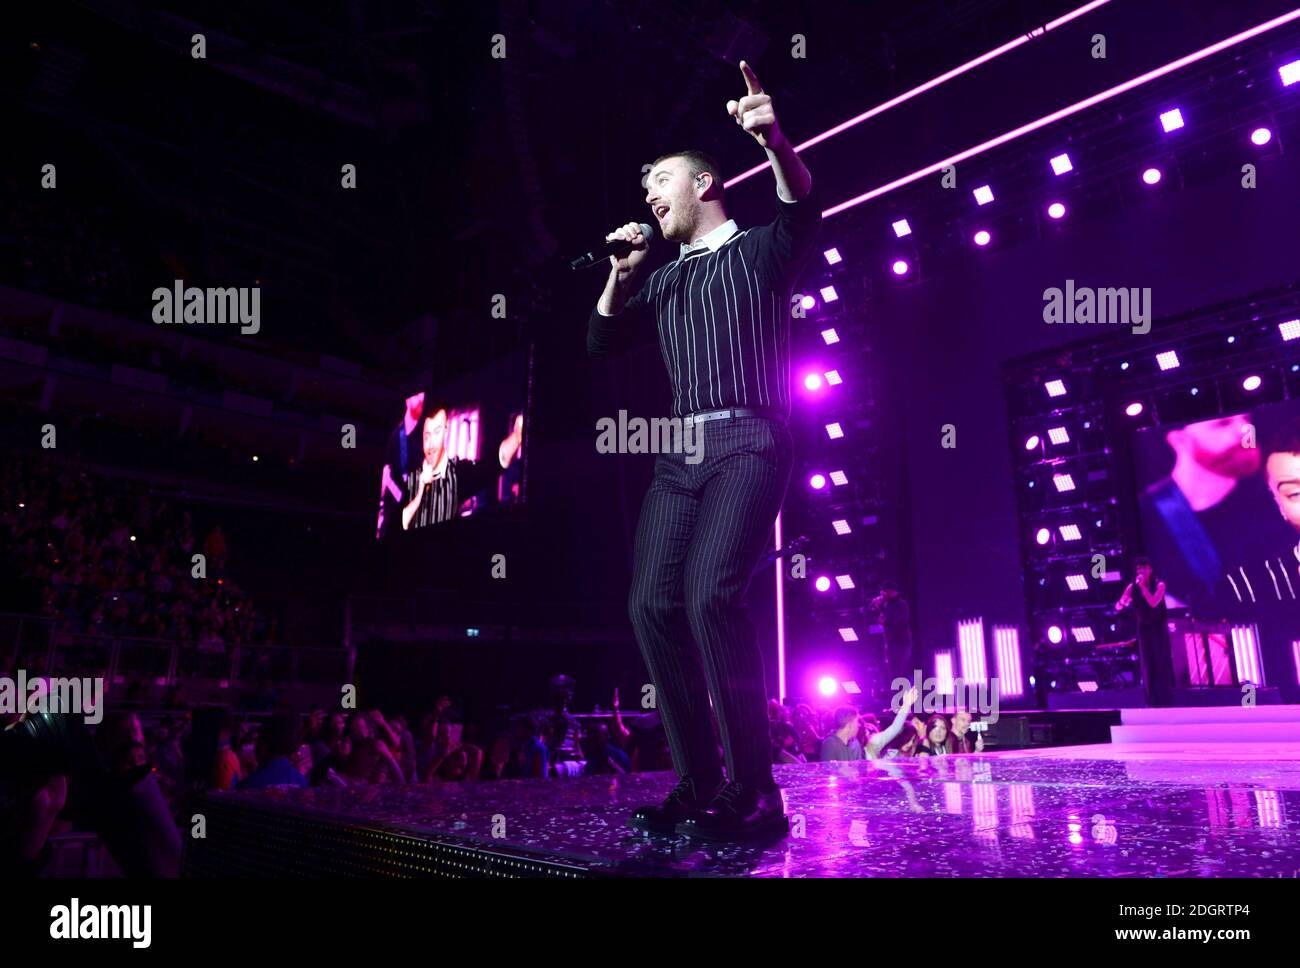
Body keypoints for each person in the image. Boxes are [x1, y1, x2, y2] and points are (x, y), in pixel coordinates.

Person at [591, 61, 820, 842]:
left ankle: (758, 793)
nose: (649, 195)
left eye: (661, 181)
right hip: (679, 453)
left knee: (711, 594)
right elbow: (599, 341)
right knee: (651, 603)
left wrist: (775, 139)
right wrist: (621, 277)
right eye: (645, 187)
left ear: (706, 183)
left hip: (751, 439)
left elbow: (802, 211)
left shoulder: (758, 249)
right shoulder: (660, 281)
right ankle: (698, 786)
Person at [401, 402, 524, 530]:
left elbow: (492, 466)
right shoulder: (411, 478)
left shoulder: (457, 473)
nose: (430, 445)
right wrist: (420, 492)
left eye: (437, 433)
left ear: (446, 432)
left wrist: (516, 436)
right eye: (427, 437)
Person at [1116, 556, 1175, 707]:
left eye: (1144, 568)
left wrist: (1142, 587)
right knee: (1147, 665)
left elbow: (1154, 602)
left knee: (1161, 662)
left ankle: (1166, 701)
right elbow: (1119, 606)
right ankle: (1151, 702)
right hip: (1143, 629)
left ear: (1150, 570)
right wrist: (1122, 602)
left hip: (1158, 628)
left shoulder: (1160, 585)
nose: (1140, 571)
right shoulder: (1132, 587)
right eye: (1138, 568)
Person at [820, 686, 918, 761]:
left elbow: (894, 729)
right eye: (857, 722)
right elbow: (828, 776)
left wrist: (906, 705)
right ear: (850, 724)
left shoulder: (856, 744)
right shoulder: (830, 744)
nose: (859, 725)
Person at [870, 581, 912, 680]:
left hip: (901, 642)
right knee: (893, 672)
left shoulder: (901, 604)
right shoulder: (887, 604)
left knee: (901, 671)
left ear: (892, 592)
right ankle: (896, 693)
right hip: (891, 643)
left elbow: (891, 620)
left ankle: (905, 692)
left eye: (886, 592)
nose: (883, 595)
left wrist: (880, 608)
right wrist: (877, 606)